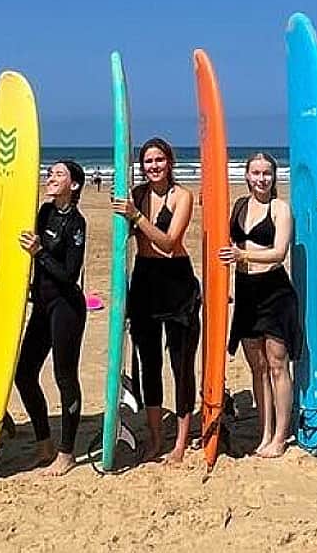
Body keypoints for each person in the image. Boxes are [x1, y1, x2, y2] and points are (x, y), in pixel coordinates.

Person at [111, 137, 201, 465]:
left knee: (181, 365)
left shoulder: (182, 197)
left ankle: (179, 442)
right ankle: (155, 437)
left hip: (177, 282)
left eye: (159, 160)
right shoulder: (137, 195)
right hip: (146, 281)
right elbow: (123, 240)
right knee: (148, 364)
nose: (154, 166)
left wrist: (136, 217)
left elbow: (167, 241)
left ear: (170, 162)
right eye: (148, 162)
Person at [218, 152, 299, 458]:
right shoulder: (239, 205)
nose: (262, 178)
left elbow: (279, 253)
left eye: (267, 173)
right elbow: (225, 242)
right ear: (247, 175)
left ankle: (280, 436)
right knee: (257, 368)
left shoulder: (280, 208)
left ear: (274, 177)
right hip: (246, 292)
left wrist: (243, 256)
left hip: (274, 292)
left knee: (278, 364)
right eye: (256, 173)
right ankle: (264, 432)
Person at [10, 160, 88, 476]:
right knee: (24, 374)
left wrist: (40, 252)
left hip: (66, 307)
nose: (51, 177)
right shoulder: (45, 212)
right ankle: (44, 445)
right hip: (41, 305)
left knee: (64, 377)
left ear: (75, 185)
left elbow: (70, 275)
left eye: (59, 174)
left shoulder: (77, 224)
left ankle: (66, 454)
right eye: (50, 173)